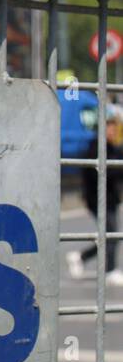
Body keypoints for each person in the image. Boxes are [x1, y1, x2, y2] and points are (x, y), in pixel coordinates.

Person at [67, 103, 123, 286]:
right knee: (111, 233)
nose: (113, 131)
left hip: (110, 198)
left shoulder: (113, 148)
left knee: (109, 234)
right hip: (98, 199)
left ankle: (81, 257)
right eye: (110, 127)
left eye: (114, 127)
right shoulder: (95, 147)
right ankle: (110, 270)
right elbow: (102, 172)